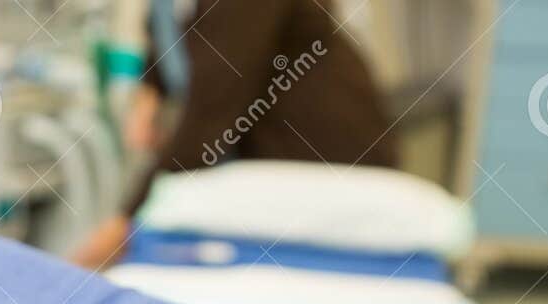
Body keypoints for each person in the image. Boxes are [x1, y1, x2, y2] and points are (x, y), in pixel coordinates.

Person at [72, 0, 398, 269]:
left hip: (328, 169)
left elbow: (208, 118)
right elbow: (170, 26)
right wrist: (150, 91)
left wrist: (122, 226)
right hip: (261, 174)